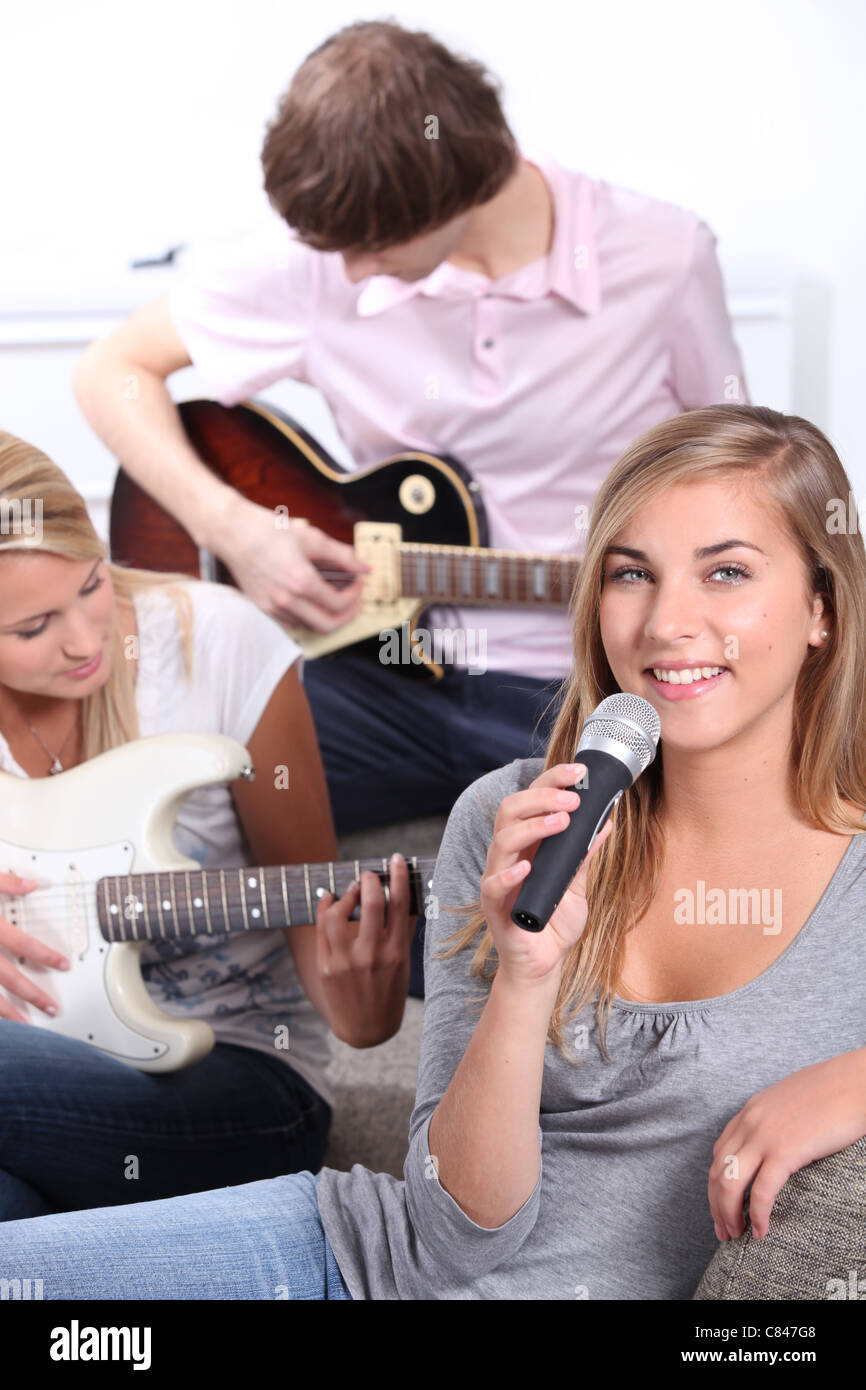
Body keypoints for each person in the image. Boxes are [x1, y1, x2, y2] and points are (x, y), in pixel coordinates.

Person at [3, 402, 865, 1300]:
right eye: (631, 574)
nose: (665, 622)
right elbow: (452, 1233)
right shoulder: (508, 815)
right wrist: (525, 976)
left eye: (726, 572)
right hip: (347, 1265)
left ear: (823, 609)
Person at [70, 19, 749, 993]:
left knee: (637, 905)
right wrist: (237, 531)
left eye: (372, 249)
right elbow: (111, 371)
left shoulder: (664, 256)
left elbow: (735, 483)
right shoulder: (318, 258)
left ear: (459, 188)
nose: (348, 274)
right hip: (378, 667)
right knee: (147, 807)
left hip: (573, 682)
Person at [0, 430, 414, 1222]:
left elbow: (314, 918)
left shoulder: (218, 643)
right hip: (42, 1067)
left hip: (242, 1075)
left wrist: (368, 1012)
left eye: (90, 585)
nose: (85, 639)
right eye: (33, 628)